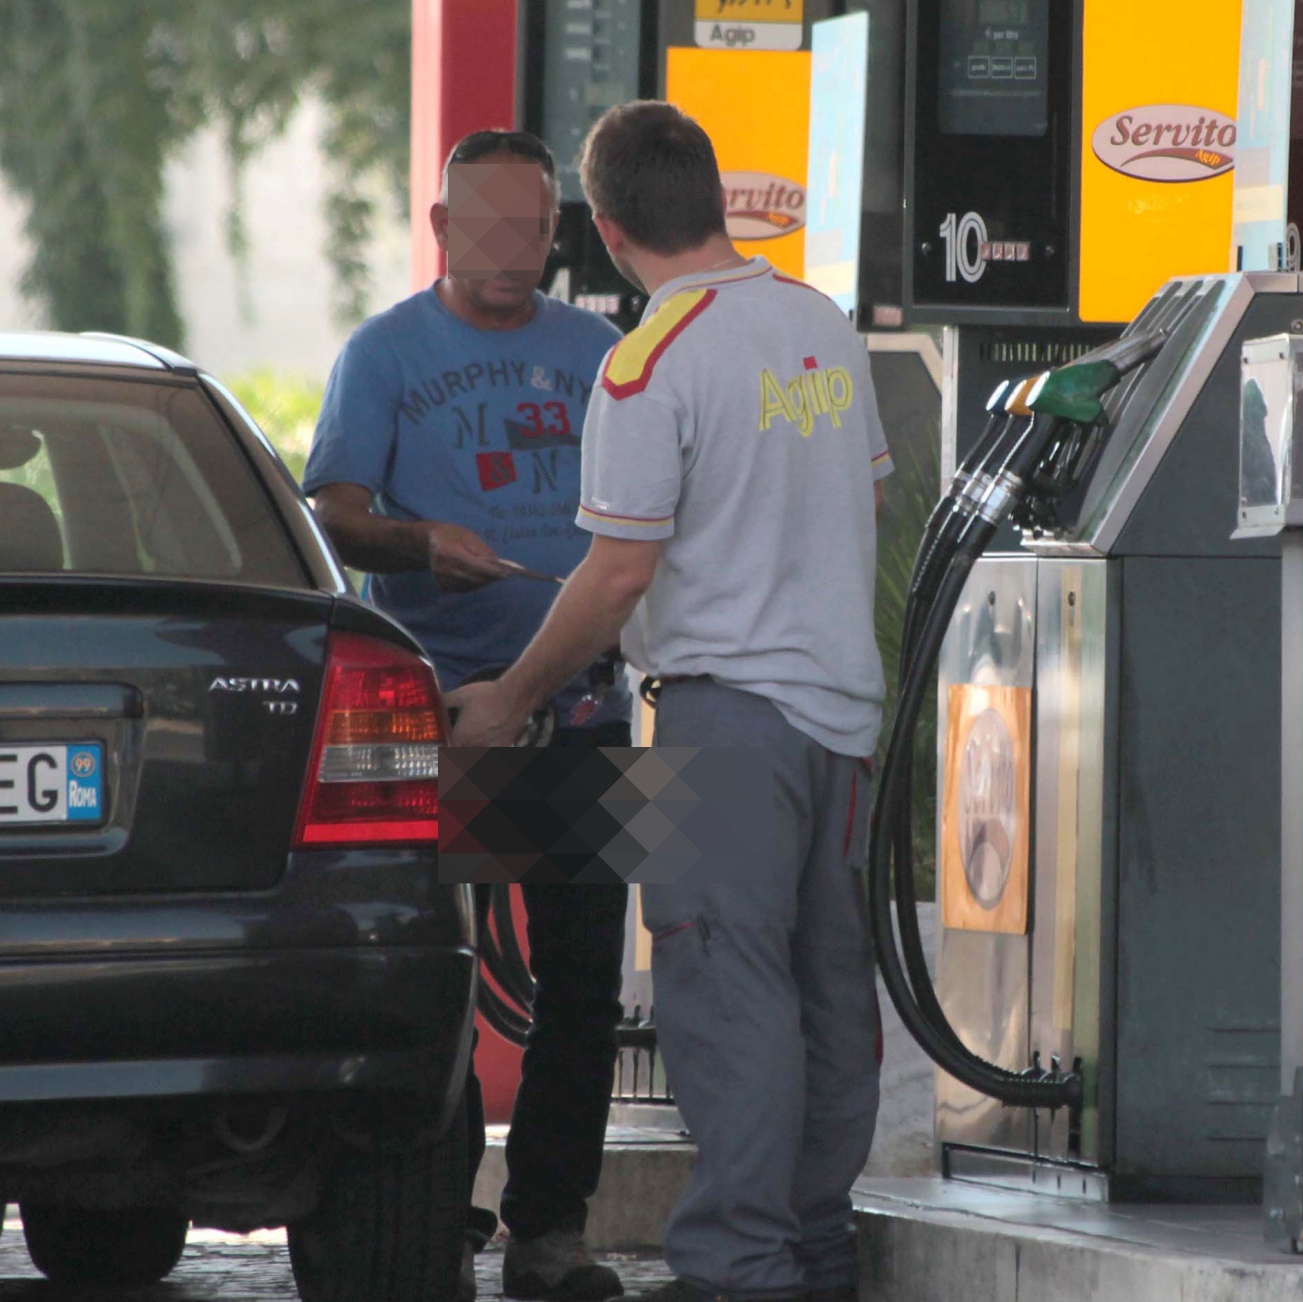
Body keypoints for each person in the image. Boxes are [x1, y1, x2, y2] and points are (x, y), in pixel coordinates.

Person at [447, 100, 891, 1302]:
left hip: (721, 720)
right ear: (712, 197)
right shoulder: (819, 327)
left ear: (603, 225)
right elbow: (868, 502)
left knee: (723, 992)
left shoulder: (647, 365)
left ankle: (740, 1270)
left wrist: (511, 695)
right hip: (842, 720)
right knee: (823, 994)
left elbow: (617, 574)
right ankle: (814, 1247)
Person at [301, 128, 631, 1302]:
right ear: (441, 231)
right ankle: (427, 1213)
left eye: (531, 228)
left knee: (585, 986)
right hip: (425, 713)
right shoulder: (382, 353)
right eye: (483, 227)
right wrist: (419, 542)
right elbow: (330, 515)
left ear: (556, 232)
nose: (510, 250)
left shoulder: (601, 351)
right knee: (424, 977)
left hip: (578, 708)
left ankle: (551, 1231)